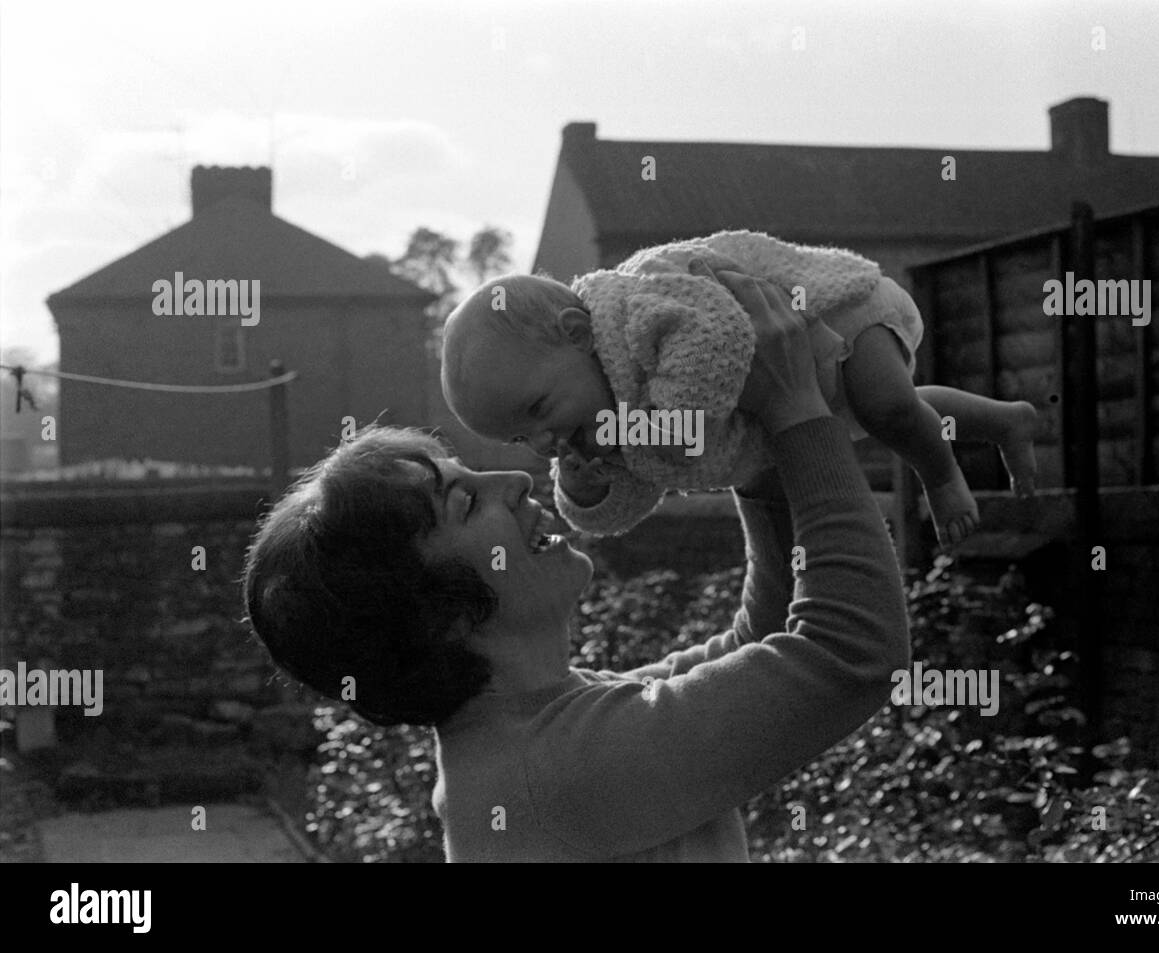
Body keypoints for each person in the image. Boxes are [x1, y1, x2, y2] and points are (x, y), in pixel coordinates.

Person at [242, 268, 911, 861]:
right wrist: (797, 412)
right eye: (466, 502)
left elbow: (758, 646)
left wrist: (756, 461)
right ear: (438, 615)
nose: (517, 482)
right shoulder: (562, 772)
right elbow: (851, 650)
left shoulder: (534, 731)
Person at [439, 231, 1039, 547]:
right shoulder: (596, 418)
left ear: (575, 334)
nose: (545, 440)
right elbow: (637, 494)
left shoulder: (638, 298)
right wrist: (587, 489)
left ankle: (941, 478)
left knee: (888, 407)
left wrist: (669, 424)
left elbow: (718, 336)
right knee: (885, 412)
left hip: (838, 315)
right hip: (806, 389)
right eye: (522, 436)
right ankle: (1005, 419)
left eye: (539, 409)